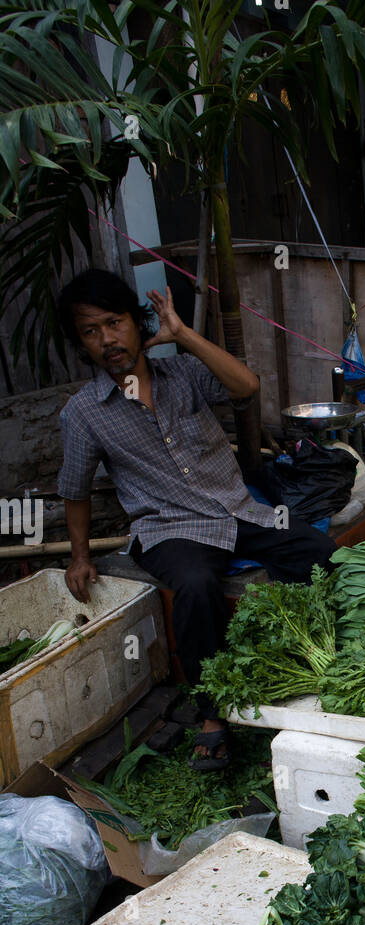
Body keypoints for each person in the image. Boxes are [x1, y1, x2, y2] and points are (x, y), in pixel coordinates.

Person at [57, 269, 334, 771]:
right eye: (90, 331)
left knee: (317, 551)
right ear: (82, 343)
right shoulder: (84, 413)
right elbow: (74, 491)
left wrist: (183, 334)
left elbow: (245, 386)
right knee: (194, 584)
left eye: (114, 323)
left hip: (237, 509)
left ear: (138, 324)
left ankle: (323, 658)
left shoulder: (182, 372)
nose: (106, 340)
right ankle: (213, 716)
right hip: (168, 528)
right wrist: (79, 557)